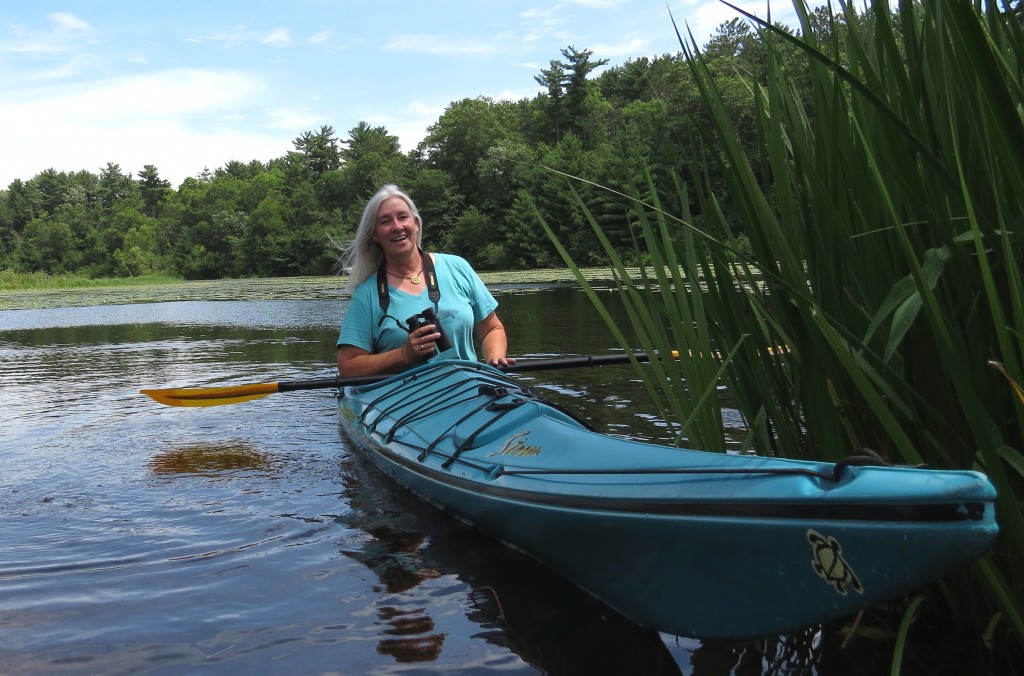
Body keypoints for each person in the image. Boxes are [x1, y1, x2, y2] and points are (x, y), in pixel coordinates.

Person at [336, 184, 514, 377]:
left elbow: (491, 329)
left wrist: (494, 360)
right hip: (407, 395)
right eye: (385, 221)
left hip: (468, 389)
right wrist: (404, 354)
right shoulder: (368, 293)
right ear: (374, 235)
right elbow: (348, 366)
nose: (397, 227)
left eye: (403, 217)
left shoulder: (457, 267)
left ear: (416, 224)